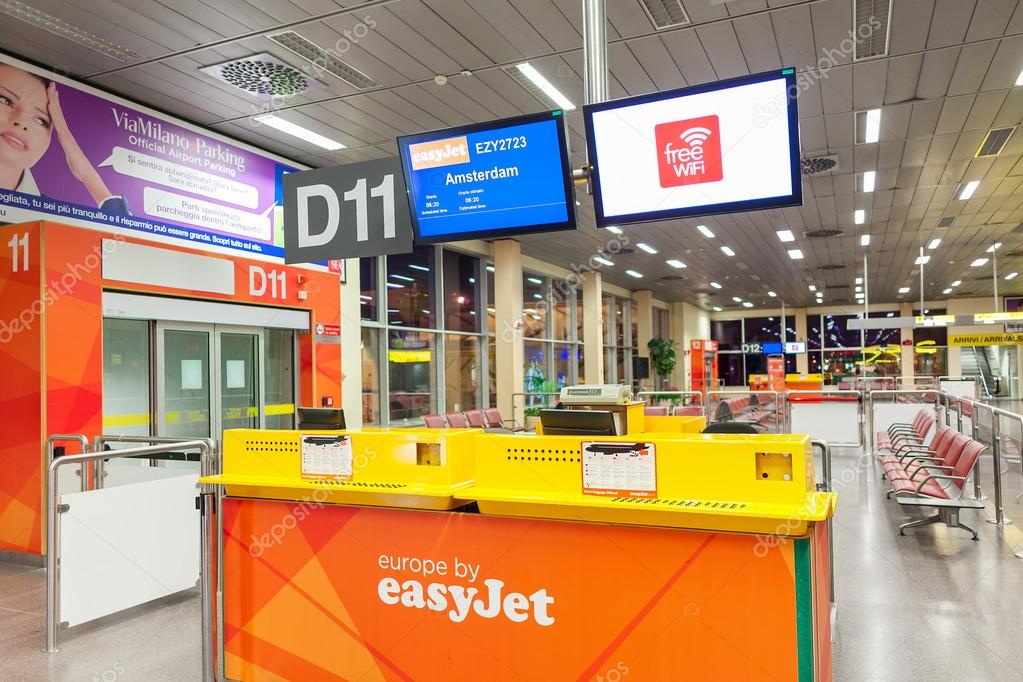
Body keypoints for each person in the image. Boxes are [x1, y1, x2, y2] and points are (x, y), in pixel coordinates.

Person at [0, 62, 129, 213]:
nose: (21, 121)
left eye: (41, 120)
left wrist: (87, 175)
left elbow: (124, 232)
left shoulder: (51, 214)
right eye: (5, 100)